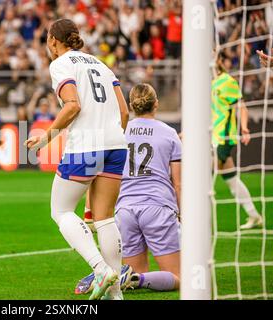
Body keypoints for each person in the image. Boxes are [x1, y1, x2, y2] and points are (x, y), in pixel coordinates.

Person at [24, 19, 129, 300]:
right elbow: (124, 111)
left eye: (47, 37)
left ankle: (99, 269)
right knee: (106, 219)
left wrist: (46, 137)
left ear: (53, 40)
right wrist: (112, 136)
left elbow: (73, 105)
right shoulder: (100, 64)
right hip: (116, 144)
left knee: (60, 210)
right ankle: (115, 295)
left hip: (87, 145)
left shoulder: (61, 63)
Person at [77, 83, 181, 295]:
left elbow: (98, 174)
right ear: (156, 104)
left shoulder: (118, 131)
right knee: (180, 277)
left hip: (124, 211)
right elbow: (178, 182)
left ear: (131, 105)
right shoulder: (170, 134)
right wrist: (183, 213)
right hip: (157, 207)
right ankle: (132, 277)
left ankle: (128, 276)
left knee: (137, 274)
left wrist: (91, 212)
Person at [213, 53, 263, 229]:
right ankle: (254, 215)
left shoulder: (226, 81)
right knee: (231, 179)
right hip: (210, 137)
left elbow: (241, 105)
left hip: (224, 138)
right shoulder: (205, 83)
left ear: (217, 59)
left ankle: (190, 220)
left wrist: (244, 127)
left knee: (200, 175)